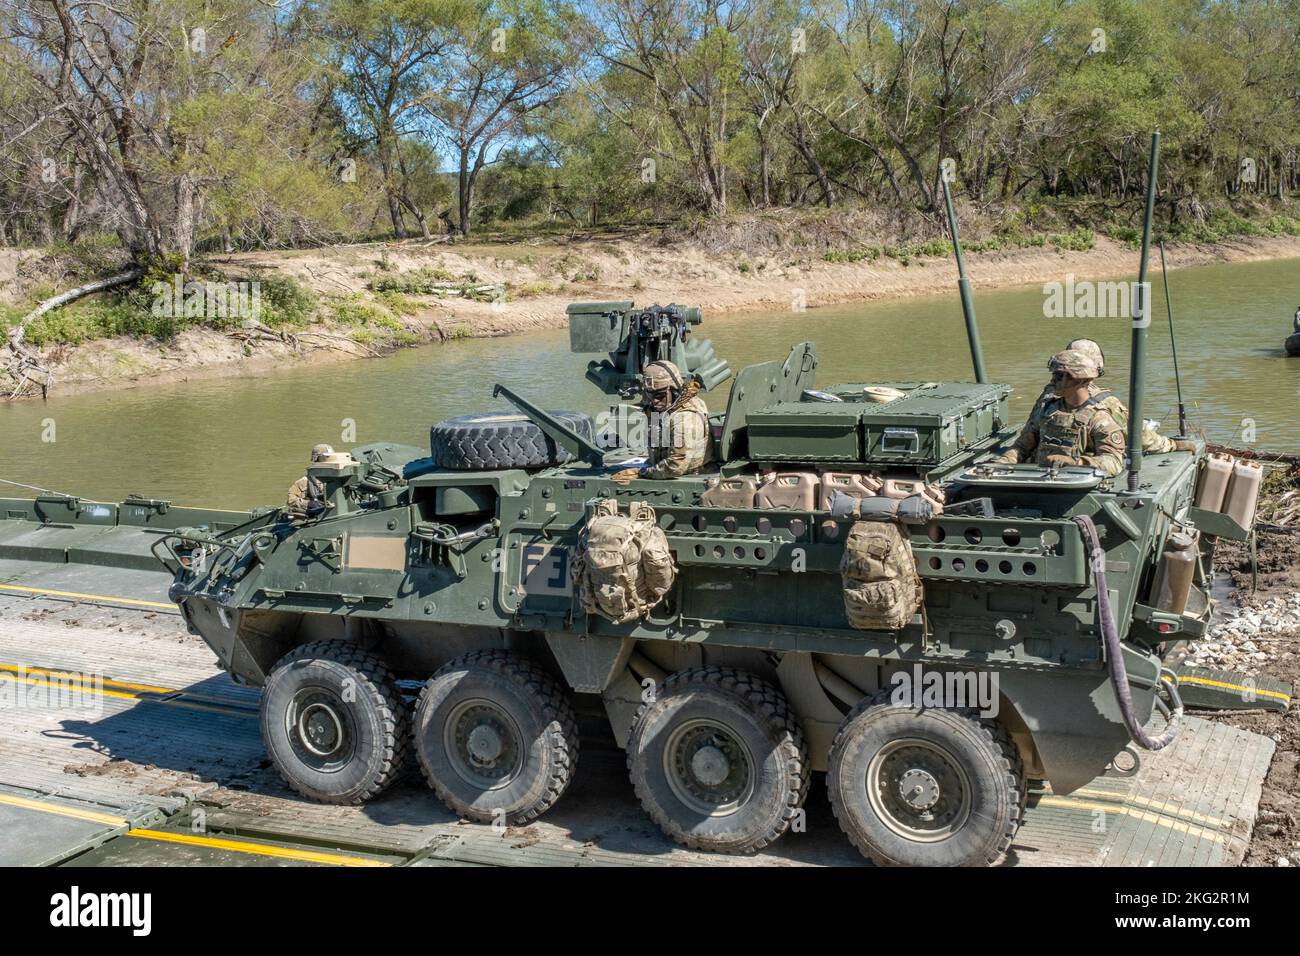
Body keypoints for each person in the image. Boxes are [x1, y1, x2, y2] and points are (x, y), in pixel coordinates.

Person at [1029, 338, 1189, 454]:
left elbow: (1032, 428)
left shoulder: (1050, 391)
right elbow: (1140, 437)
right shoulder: (1104, 402)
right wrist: (1171, 445)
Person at [995, 349, 1126, 476]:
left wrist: (1077, 462)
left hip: (1073, 484)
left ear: (1079, 379)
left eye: (1059, 376)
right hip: (1037, 478)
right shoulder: (1047, 409)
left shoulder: (1099, 419)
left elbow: (1113, 462)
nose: (1053, 381)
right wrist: (1004, 462)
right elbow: (1022, 446)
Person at [611, 360, 713, 481]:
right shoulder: (668, 404)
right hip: (661, 466)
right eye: (650, 395)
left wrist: (642, 472)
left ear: (675, 390)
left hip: (686, 474)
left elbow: (675, 466)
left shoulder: (685, 419)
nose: (654, 401)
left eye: (659, 396)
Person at [286, 443, 334, 514]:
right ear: (317, 459)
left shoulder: (339, 476)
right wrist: (309, 503)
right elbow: (291, 500)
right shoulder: (306, 481)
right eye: (326, 458)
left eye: (331, 457)